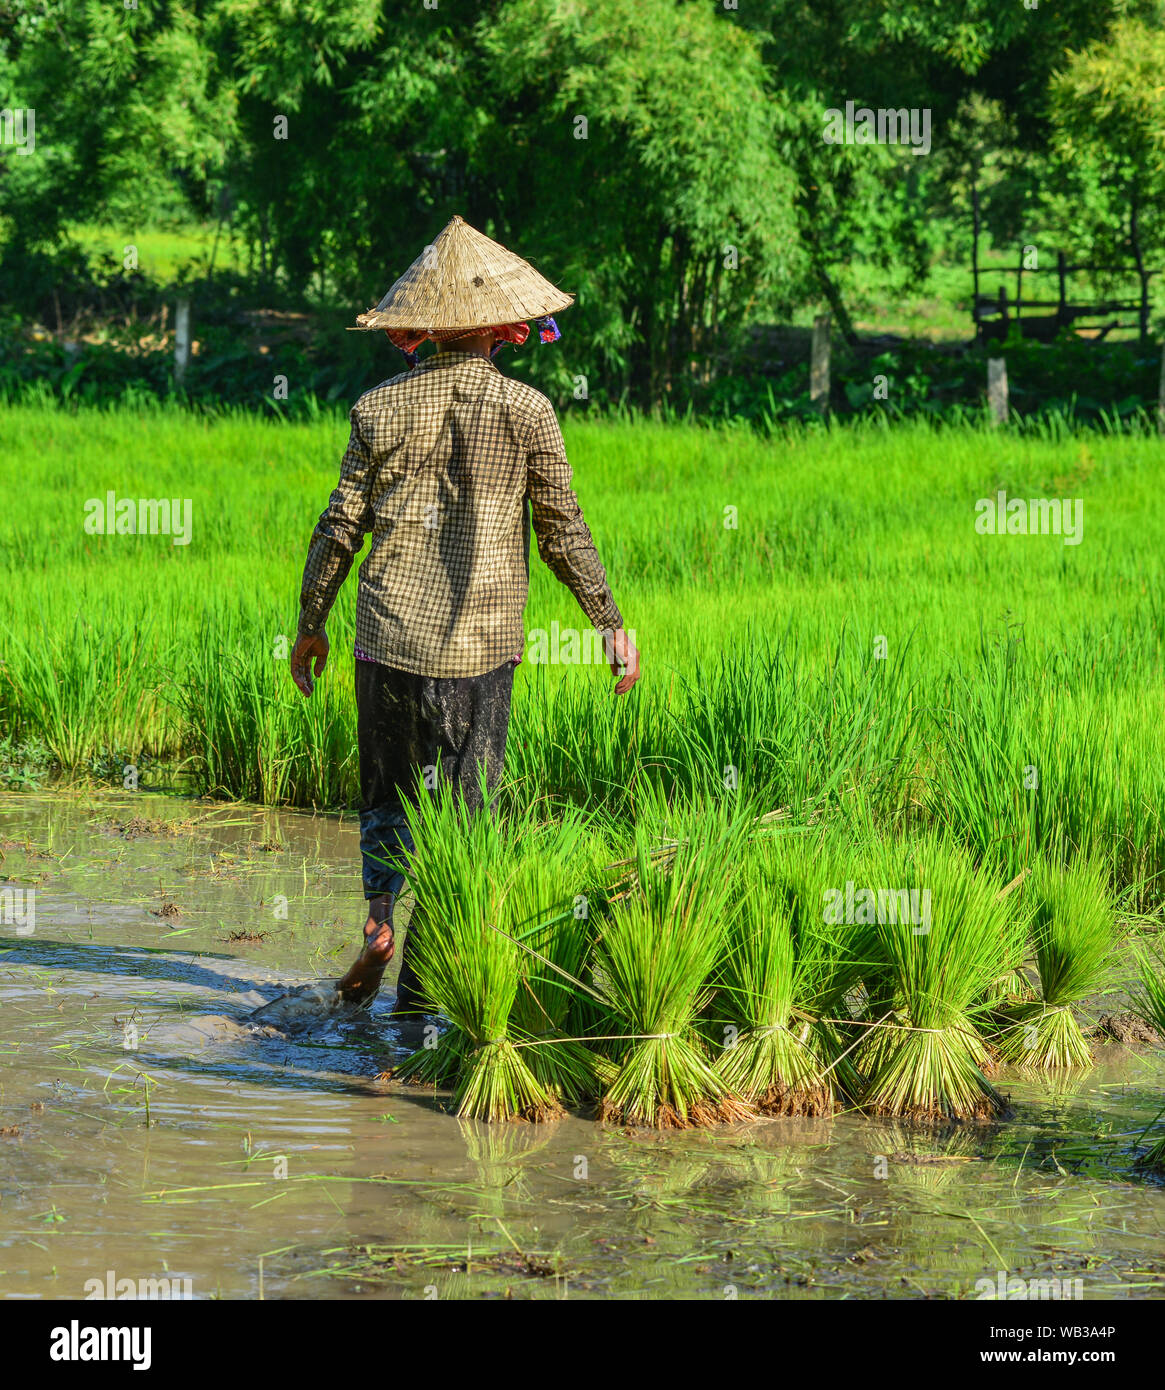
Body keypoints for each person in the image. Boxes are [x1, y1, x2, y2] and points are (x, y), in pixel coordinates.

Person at [289, 215, 640, 1018]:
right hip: (477, 649)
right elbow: (561, 529)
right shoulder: (528, 412)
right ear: (501, 327)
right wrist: (607, 623)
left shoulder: (377, 408)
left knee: (386, 797)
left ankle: (379, 919)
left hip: (385, 641)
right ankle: (417, 999)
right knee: (465, 823)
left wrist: (312, 622)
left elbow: (339, 524)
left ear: (427, 329)